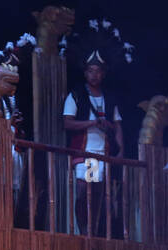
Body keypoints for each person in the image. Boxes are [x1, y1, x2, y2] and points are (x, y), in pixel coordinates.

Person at [63, 52, 123, 236]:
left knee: (96, 195)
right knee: (83, 192)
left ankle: (91, 232)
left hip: (101, 154)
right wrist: (92, 123)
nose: (94, 75)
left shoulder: (109, 98)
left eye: (98, 71)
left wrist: (120, 151)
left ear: (103, 74)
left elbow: (118, 126)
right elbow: (67, 123)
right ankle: (82, 231)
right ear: (85, 73)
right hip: (85, 152)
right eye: (91, 71)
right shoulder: (77, 94)